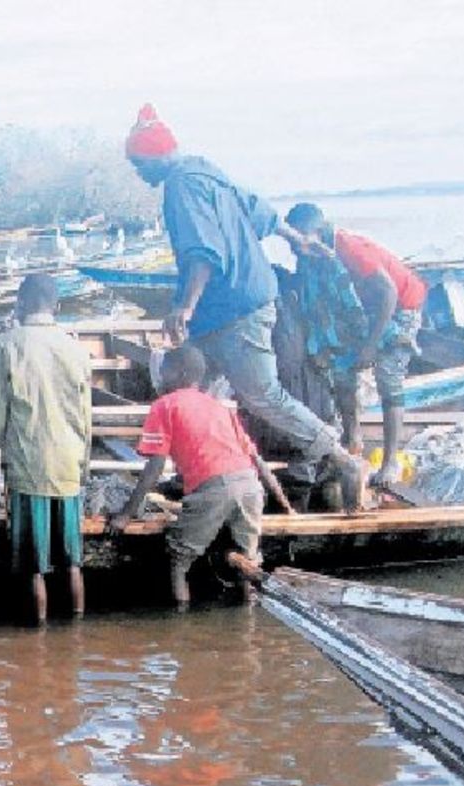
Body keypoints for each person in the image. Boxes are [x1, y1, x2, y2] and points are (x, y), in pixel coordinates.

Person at [124, 103, 369, 510]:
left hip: (235, 307)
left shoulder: (182, 187)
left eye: (138, 164)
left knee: (263, 395)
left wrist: (184, 307)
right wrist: (294, 239)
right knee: (189, 390)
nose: (139, 173)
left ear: (154, 155)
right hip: (224, 309)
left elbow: (203, 252)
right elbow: (261, 210)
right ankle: (195, 476)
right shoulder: (206, 170)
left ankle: (342, 459)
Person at [108, 345, 294, 609]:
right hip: (250, 486)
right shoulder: (218, 406)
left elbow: (154, 467)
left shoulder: (164, 406)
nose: (160, 376)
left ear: (179, 374)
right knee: (247, 561)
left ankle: (180, 624)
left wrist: (126, 513)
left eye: (165, 371)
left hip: (214, 488)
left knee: (180, 560)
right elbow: (258, 463)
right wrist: (287, 507)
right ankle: (247, 620)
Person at [0, 275, 92, 624]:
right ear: (56, 307)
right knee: (73, 563)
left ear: (19, 304)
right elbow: (85, 418)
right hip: (68, 468)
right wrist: (83, 466)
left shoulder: (6, 346)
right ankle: (76, 633)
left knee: (35, 568)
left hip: (30, 468)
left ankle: (39, 640)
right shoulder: (76, 349)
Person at [283, 203, 428, 486]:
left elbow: (388, 292)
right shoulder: (311, 254)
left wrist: (371, 346)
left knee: (388, 379)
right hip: (358, 311)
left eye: (301, 237)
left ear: (319, 230)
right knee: (340, 372)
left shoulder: (349, 248)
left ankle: (390, 462)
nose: (297, 247)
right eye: (292, 240)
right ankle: (353, 440)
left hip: (397, 308)